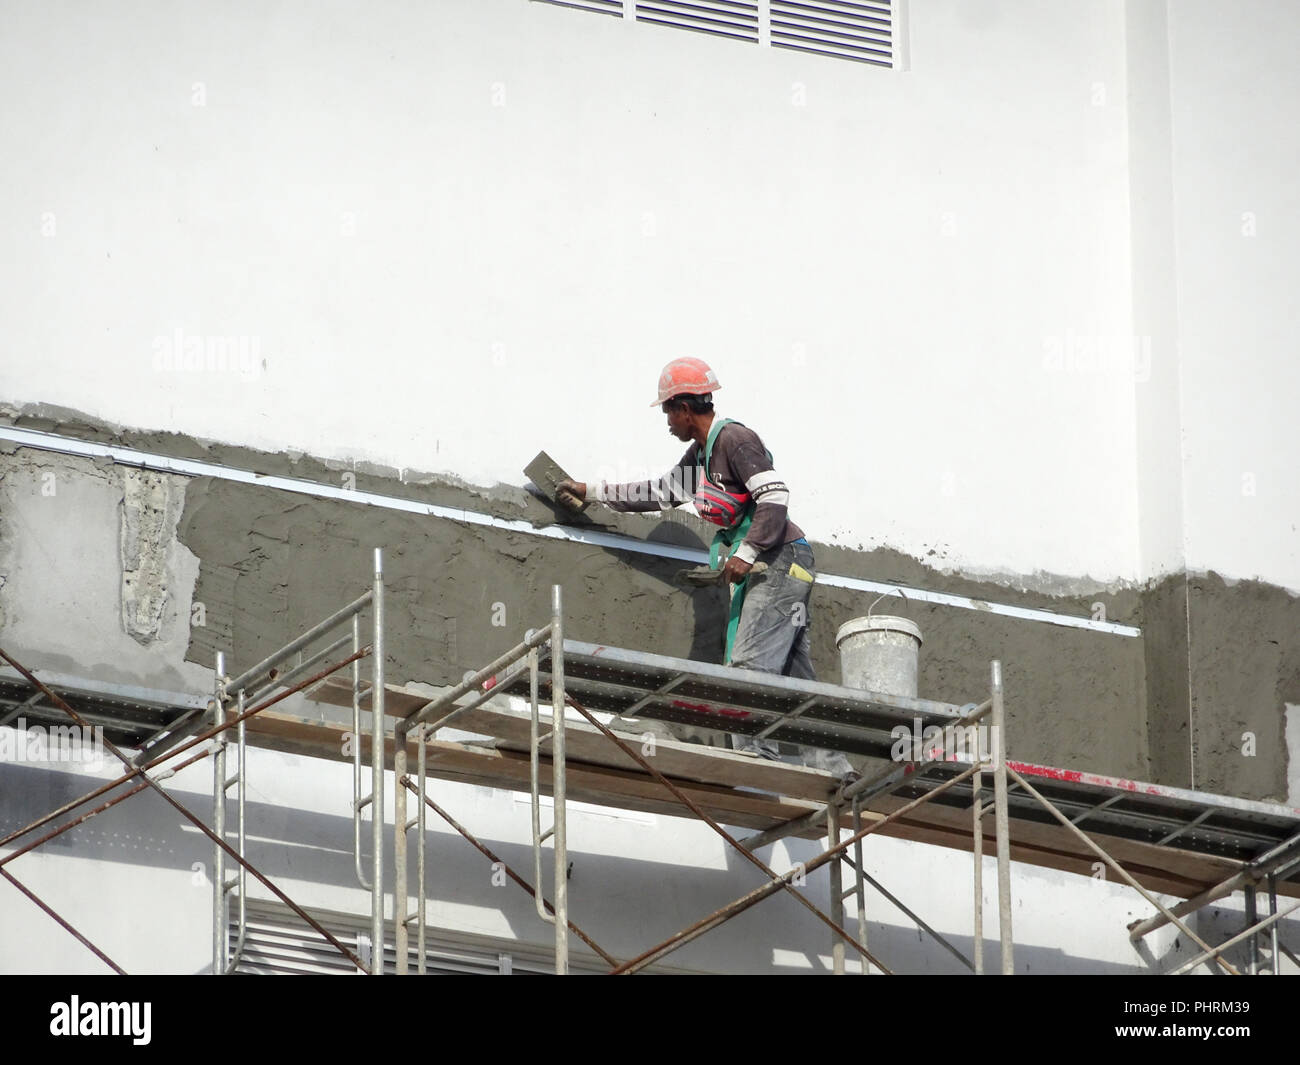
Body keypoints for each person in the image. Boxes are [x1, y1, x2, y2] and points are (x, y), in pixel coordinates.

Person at [557, 357, 854, 778]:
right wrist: (593, 490)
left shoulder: (734, 439)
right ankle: (836, 768)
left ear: (684, 407)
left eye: (667, 411)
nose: (667, 423)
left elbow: (775, 496)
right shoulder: (700, 457)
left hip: (781, 561)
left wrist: (745, 554)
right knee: (793, 675)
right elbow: (659, 492)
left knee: (750, 663)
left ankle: (757, 759)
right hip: (779, 564)